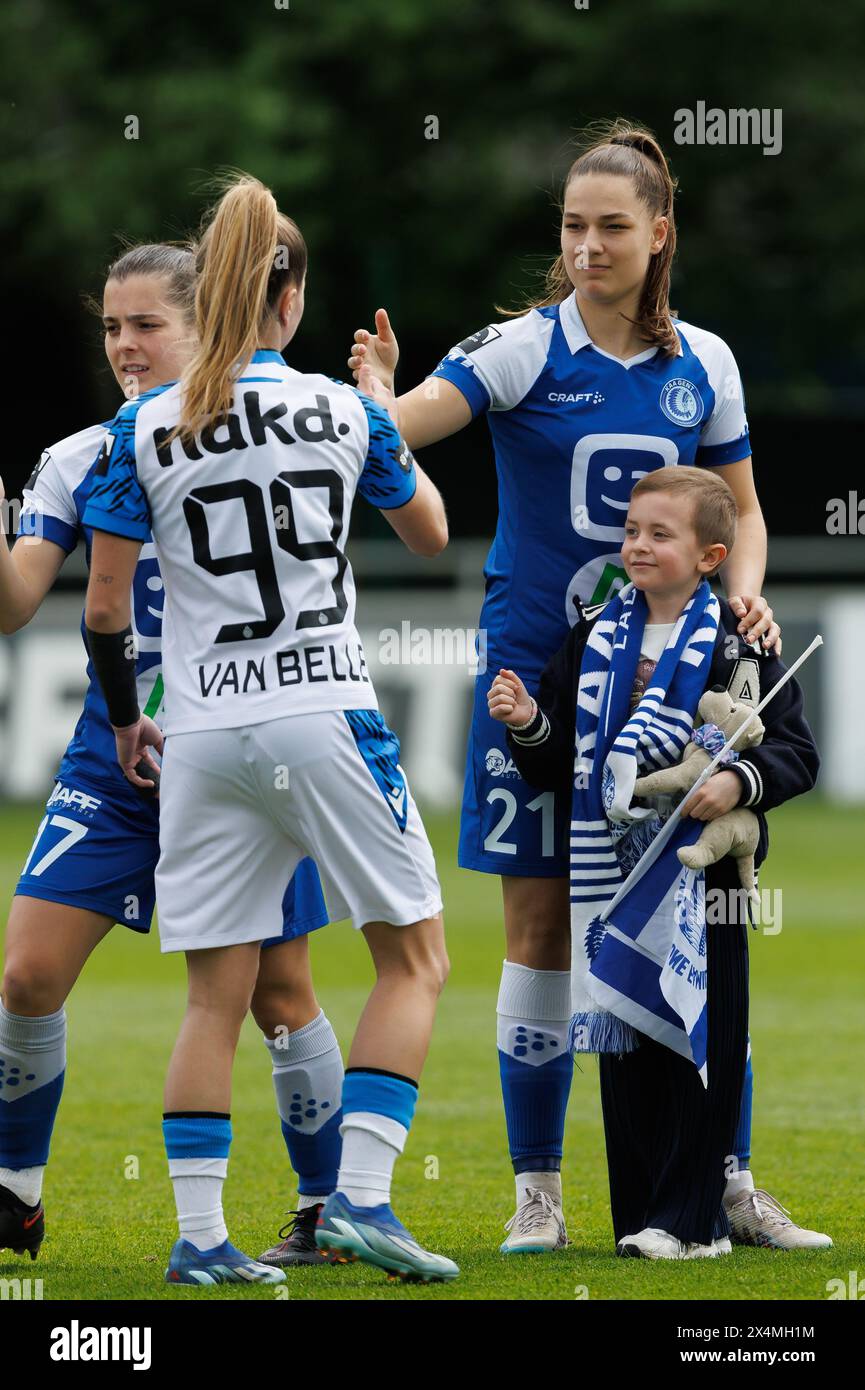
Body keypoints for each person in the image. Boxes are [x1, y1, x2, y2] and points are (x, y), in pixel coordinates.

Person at [348, 119, 828, 1253]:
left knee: (698, 925)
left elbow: (742, 512)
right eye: (572, 226)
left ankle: (722, 1180)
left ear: (660, 234)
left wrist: (741, 599)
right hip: (540, 678)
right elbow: (404, 431)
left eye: (613, 226)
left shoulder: (703, 361)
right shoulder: (522, 347)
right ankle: (540, 1192)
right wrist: (372, 399)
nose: (588, 246)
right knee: (537, 930)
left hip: (669, 683)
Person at [81, 174, 458, 1286]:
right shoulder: (343, 412)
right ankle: (364, 1197)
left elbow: (105, 607)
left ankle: (201, 1239)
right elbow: (431, 534)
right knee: (415, 956)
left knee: (214, 993)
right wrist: (380, 400)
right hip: (319, 705)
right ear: (288, 303)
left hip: (196, 730)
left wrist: (121, 721)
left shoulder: (143, 424)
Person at [0, 244, 343, 1273]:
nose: (124, 346)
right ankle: (15, 1192)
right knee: (24, 975)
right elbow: (18, 604)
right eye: (111, 327)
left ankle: (325, 1208)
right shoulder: (77, 454)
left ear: (206, 324)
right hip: (114, 755)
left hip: (240, 749)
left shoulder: (257, 434)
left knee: (280, 997)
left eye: (146, 324)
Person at [488, 466, 821, 1256]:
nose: (636, 545)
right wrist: (529, 720)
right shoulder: (594, 633)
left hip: (705, 881)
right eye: (631, 530)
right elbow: (554, 763)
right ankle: (642, 1216)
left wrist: (737, 781)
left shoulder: (742, 642)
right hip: (615, 883)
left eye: (658, 534)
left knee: (703, 1034)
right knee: (627, 1044)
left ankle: (694, 1220)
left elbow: (794, 753)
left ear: (709, 556)